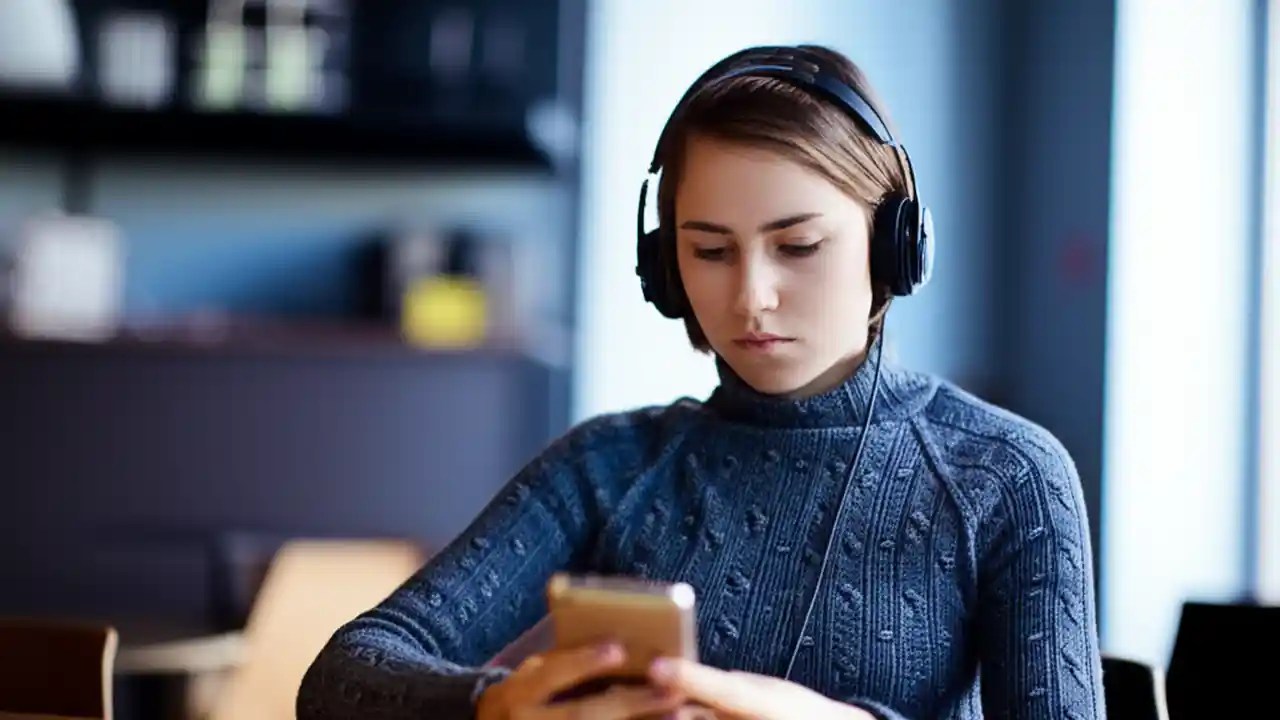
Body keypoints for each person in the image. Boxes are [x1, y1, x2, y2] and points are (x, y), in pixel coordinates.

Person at [296, 44, 1105, 720]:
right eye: (711, 252)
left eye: (798, 247)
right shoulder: (610, 466)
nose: (750, 297)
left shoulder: (1007, 477)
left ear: (892, 243)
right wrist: (495, 704)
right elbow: (341, 676)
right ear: (666, 271)